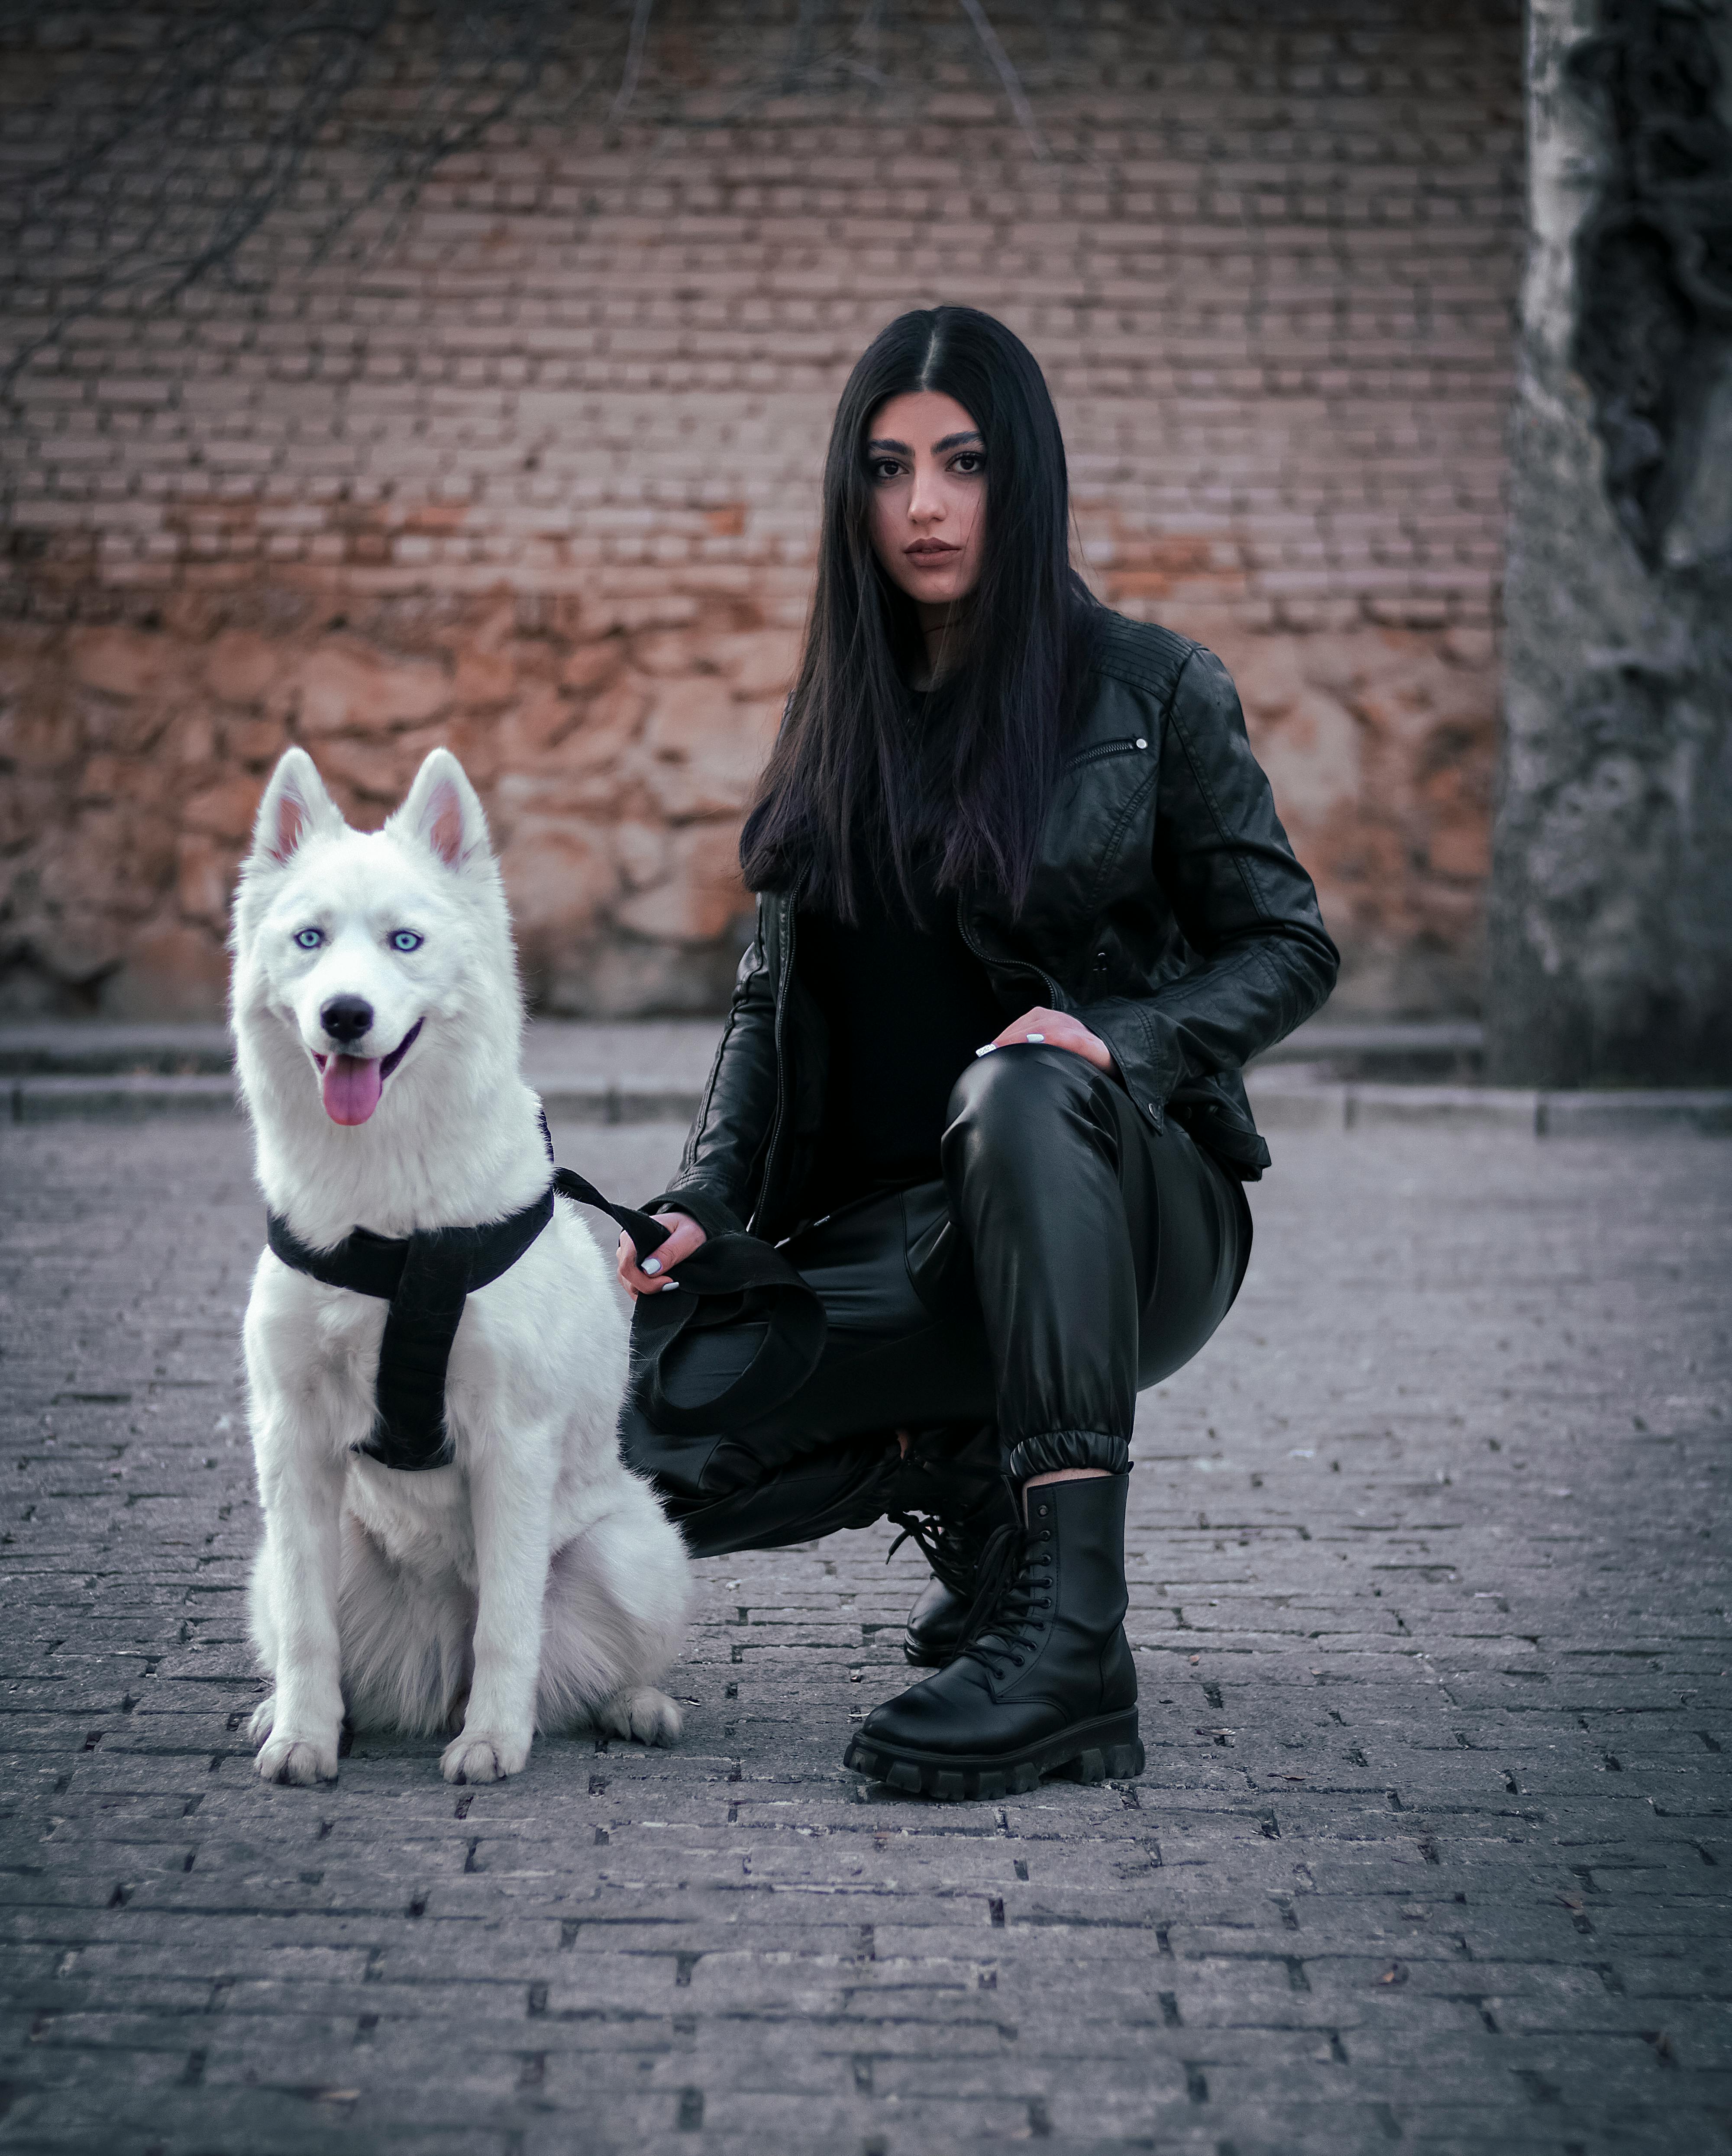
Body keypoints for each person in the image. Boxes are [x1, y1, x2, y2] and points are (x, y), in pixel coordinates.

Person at [614, 304, 1338, 1800]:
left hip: (1126, 1209)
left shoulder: (1151, 692)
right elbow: (771, 1004)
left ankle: (1073, 1643)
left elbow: (1290, 942)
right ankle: (974, 1469)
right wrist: (711, 1205)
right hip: (913, 1239)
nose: (926, 506)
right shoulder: (843, 720)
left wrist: (1123, 1036)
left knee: (1017, 1086)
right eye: (889, 470)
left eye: (962, 463)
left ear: (1025, 480)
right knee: (630, 1437)